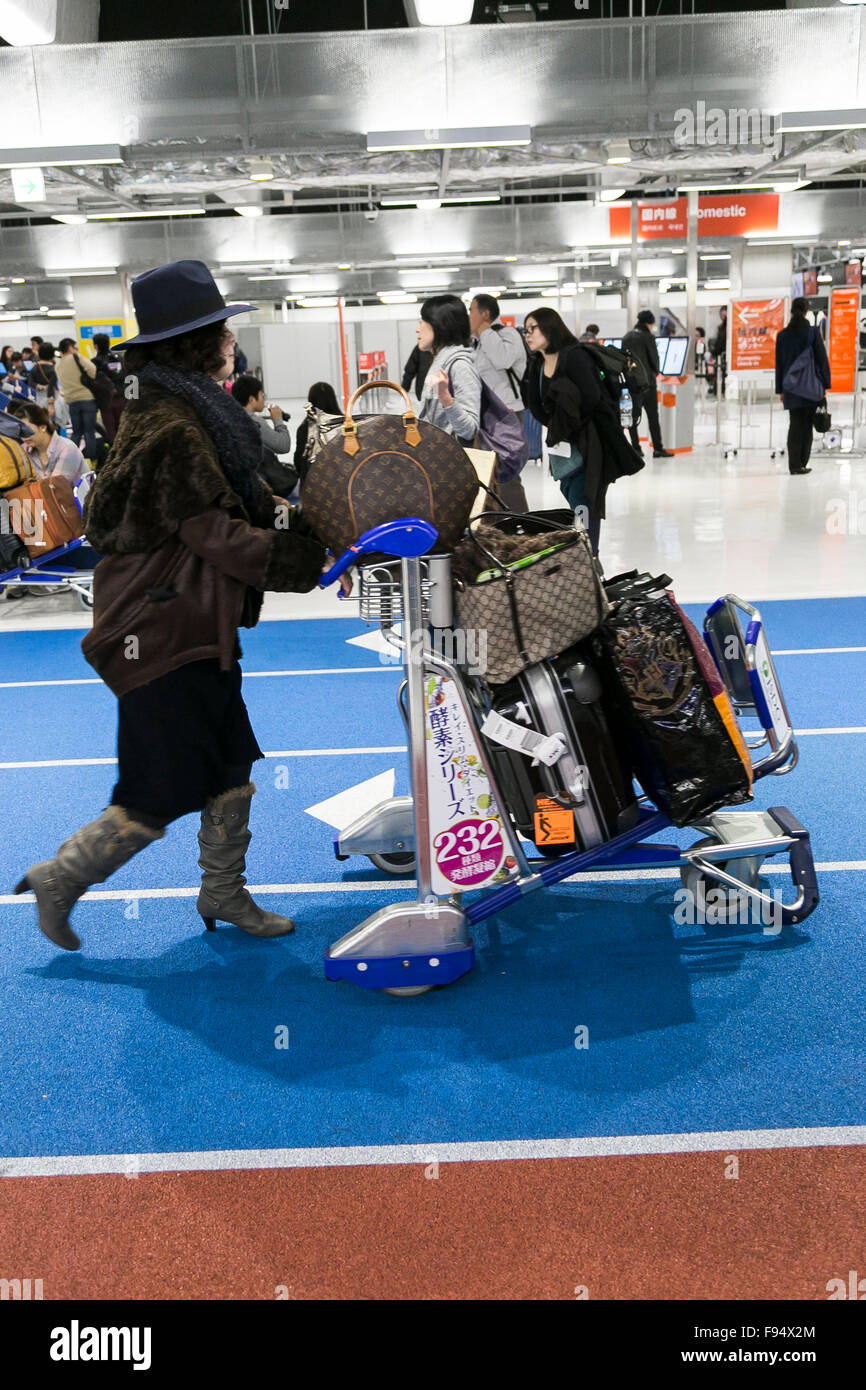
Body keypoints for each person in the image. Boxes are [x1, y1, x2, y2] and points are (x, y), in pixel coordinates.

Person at [15, 259, 342, 953]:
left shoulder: (191, 410)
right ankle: (61, 879)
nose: (230, 340)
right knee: (154, 791)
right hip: (161, 631)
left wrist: (308, 520)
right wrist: (310, 557)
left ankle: (222, 891)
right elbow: (219, 537)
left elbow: (244, 503)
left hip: (196, 624)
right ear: (196, 343)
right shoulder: (171, 426)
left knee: (231, 764)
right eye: (220, 330)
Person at [522, 306, 644, 556]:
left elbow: (591, 397)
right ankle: (587, 557)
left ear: (549, 327)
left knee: (584, 503)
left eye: (532, 328)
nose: (528, 335)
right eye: (525, 330)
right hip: (560, 446)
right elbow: (533, 402)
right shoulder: (537, 363)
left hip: (588, 443)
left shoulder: (574, 356)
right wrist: (557, 425)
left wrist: (567, 425)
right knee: (572, 495)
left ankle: (590, 559)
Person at [469, 293, 530, 509]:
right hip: (485, 417)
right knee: (486, 472)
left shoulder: (508, 334)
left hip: (507, 415)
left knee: (507, 471)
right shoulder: (476, 343)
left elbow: (502, 359)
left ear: (485, 314)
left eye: (471, 311)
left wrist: (484, 330)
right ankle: (497, 521)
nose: (468, 316)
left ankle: (520, 523)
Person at [774, 296, 831, 476]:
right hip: (811, 387)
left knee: (795, 425)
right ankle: (802, 464)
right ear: (807, 311)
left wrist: (780, 390)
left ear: (791, 311)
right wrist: (825, 386)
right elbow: (822, 361)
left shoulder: (782, 335)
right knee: (807, 426)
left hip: (790, 388)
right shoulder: (812, 333)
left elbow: (780, 365)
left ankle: (793, 466)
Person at [416, 294, 481, 450]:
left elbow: (469, 430)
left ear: (440, 325)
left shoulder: (460, 366)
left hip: (451, 464)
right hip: (437, 458)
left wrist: (445, 398)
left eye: (422, 322)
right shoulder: (441, 362)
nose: (417, 329)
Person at [232, 373, 298, 497]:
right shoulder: (255, 423)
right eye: (262, 395)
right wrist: (278, 421)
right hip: (266, 483)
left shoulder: (233, 417)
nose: (264, 399)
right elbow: (283, 446)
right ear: (252, 399)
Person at [622, 310, 674, 458]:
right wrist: (655, 373)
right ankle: (657, 448)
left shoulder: (626, 337)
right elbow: (654, 360)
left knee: (632, 417)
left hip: (631, 384)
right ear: (648, 323)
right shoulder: (648, 337)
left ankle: (636, 448)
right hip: (648, 384)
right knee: (653, 417)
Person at [8, 400, 87, 484]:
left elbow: (56, 487)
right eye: (20, 431)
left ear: (43, 427)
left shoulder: (67, 449)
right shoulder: (24, 449)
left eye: (26, 430)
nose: (23, 436)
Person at [56, 336, 100, 463]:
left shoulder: (58, 365)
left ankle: (72, 460)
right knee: (89, 432)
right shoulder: (76, 357)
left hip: (72, 401)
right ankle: (91, 461)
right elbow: (93, 370)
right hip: (86, 398)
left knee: (76, 433)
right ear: (70, 347)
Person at [293, 381, 342, 483]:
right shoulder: (345, 425)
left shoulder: (304, 428)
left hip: (312, 487)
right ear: (333, 400)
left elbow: (299, 462)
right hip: (341, 485)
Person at [91, 332, 125, 442]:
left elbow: (93, 382)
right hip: (122, 398)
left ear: (96, 346)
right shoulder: (119, 358)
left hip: (106, 401)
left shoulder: (95, 362)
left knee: (111, 430)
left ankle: (116, 453)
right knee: (123, 427)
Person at [30, 341, 59, 407]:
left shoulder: (34, 367)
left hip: (39, 398)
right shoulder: (53, 369)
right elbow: (51, 387)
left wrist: (39, 386)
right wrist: (51, 405)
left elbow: (30, 382)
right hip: (53, 400)